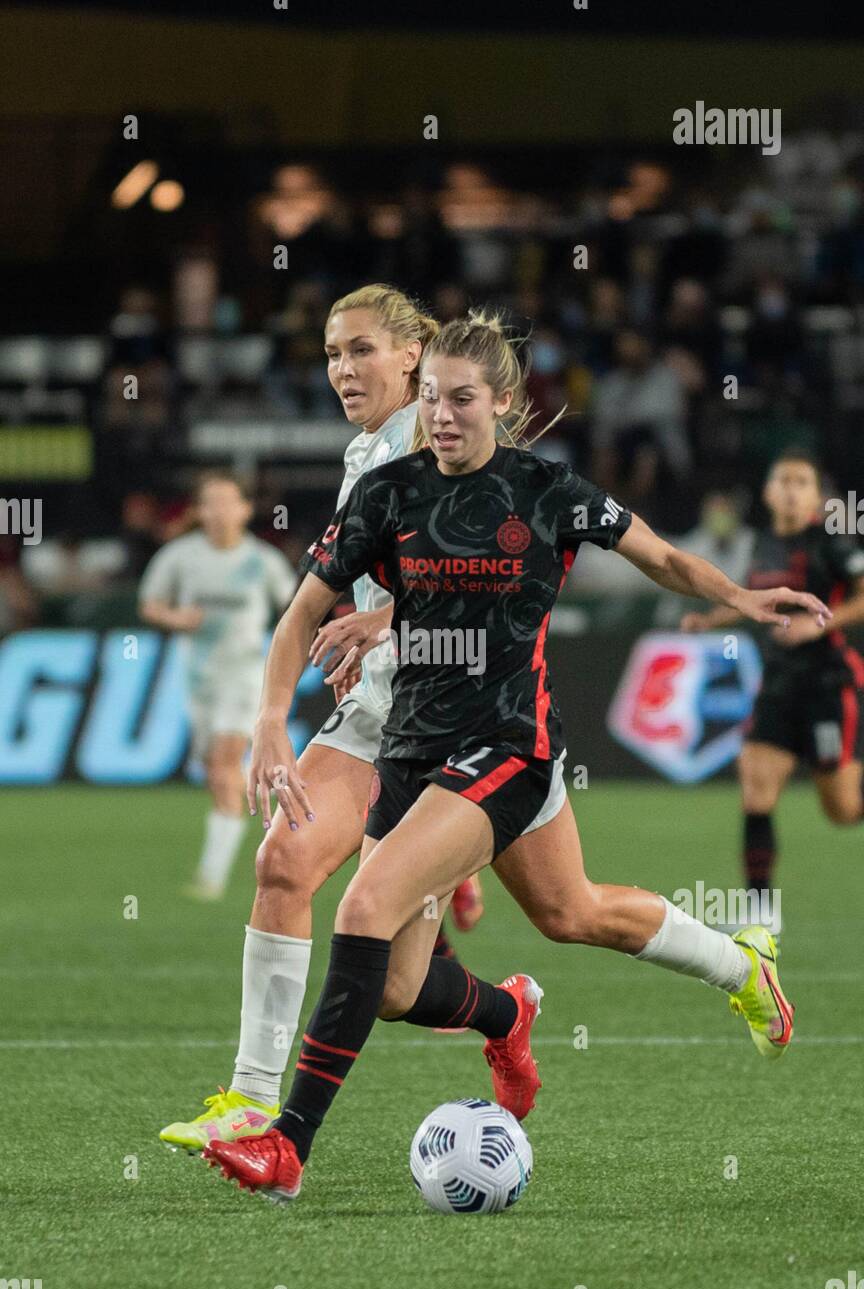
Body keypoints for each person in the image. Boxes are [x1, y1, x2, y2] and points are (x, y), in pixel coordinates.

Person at [203, 311, 830, 1203]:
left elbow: (659, 556)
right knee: (516, 936)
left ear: (503, 401)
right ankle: (725, 971)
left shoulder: (547, 491)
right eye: (430, 399)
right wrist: (272, 714)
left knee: (363, 908)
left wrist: (743, 597)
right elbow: (306, 609)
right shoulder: (387, 492)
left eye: (462, 399)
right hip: (414, 756)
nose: (443, 415)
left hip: (509, 748)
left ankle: (285, 1146)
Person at [158, 286, 499, 1153]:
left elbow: (499, 574)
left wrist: (382, 623)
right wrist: (357, 645)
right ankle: (250, 1099)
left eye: (360, 351)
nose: (343, 369)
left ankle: (523, 1003)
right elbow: (344, 586)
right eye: (332, 354)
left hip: (461, 717)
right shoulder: (364, 455)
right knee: (282, 862)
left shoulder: (446, 440)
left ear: (412, 356)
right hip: (374, 709)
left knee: (563, 918)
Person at [682, 451, 864, 934]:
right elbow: (752, 602)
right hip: (779, 686)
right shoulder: (763, 543)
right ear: (766, 492)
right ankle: (761, 907)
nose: (789, 488)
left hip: (829, 684)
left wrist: (817, 624)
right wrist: (709, 619)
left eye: (800, 481)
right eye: (781, 479)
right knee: (756, 787)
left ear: (816, 496)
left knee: (843, 811)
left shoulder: (834, 543)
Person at [139, 473, 296, 902]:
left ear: (245, 510)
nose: (220, 511)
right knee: (216, 770)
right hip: (197, 677)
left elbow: (294, 610)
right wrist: (177, 619)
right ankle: (251, 824)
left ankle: (214, 877)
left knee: (226, 762)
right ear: (198, 511)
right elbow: (150, 604)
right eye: (210, 503)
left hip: (244, 676)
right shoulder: (180, 556)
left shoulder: (263, 561)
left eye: (228, 502)